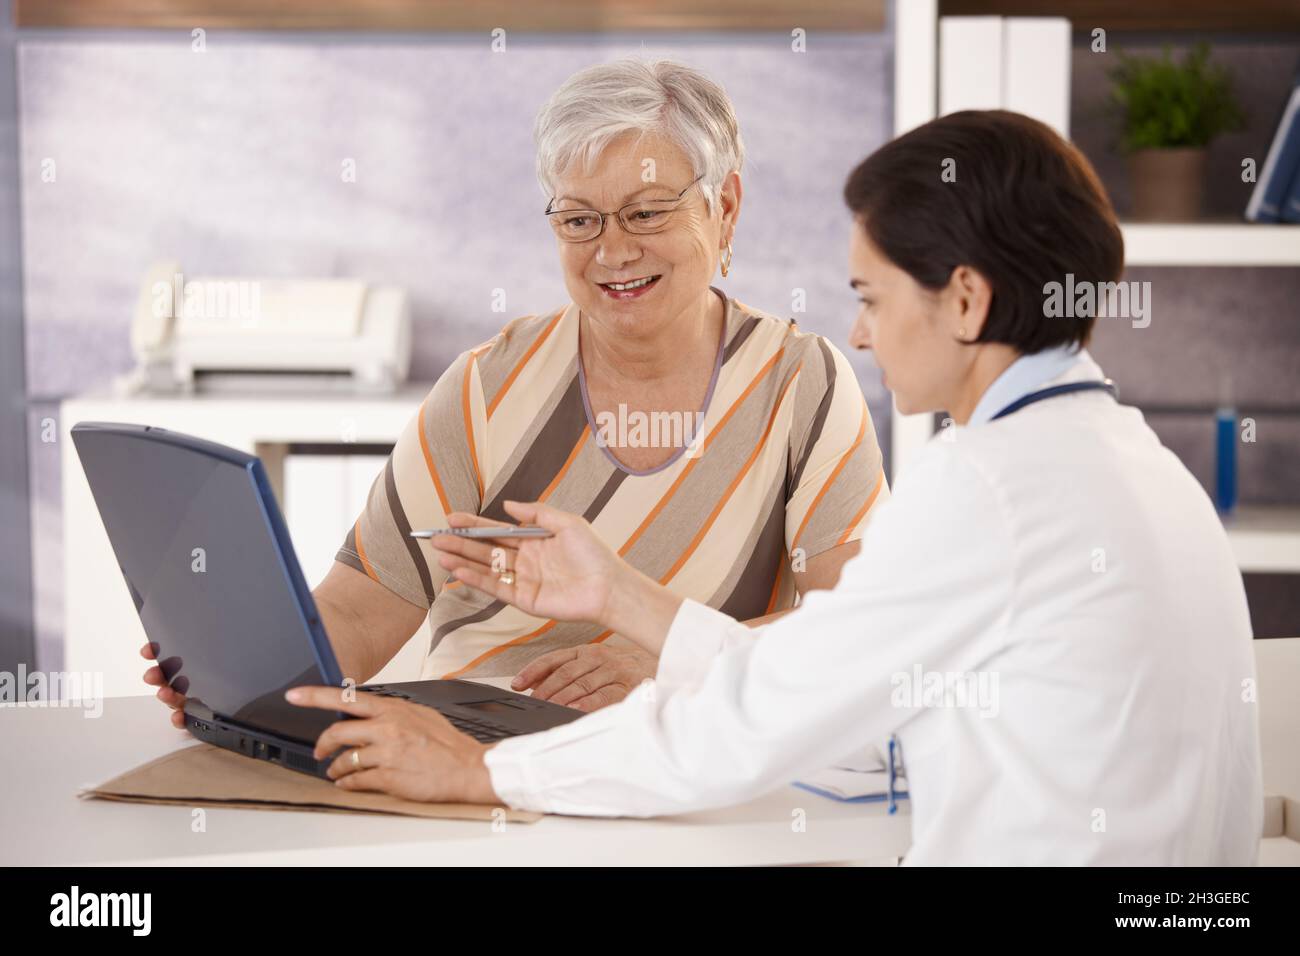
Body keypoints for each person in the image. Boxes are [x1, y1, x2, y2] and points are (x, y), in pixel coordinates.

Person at [288, 110, 1263, 865]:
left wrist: (484, 769)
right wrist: (619, 594)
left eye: (872, 298)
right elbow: (832, 687)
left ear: (965, 300)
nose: (864, 334)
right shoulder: (1131, 463)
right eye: (580, 219)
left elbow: (753, 725)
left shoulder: (985, 486)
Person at [141, 58, 887, 719]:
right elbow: (361, 611)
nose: (613, 251)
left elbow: (857, 629)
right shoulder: (486, 388)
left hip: (692, 758)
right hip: (475, 756)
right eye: (579, 220)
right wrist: (244, 679)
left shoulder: (804, 386)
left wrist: (676, 662)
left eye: (646, 212)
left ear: (724, 208)